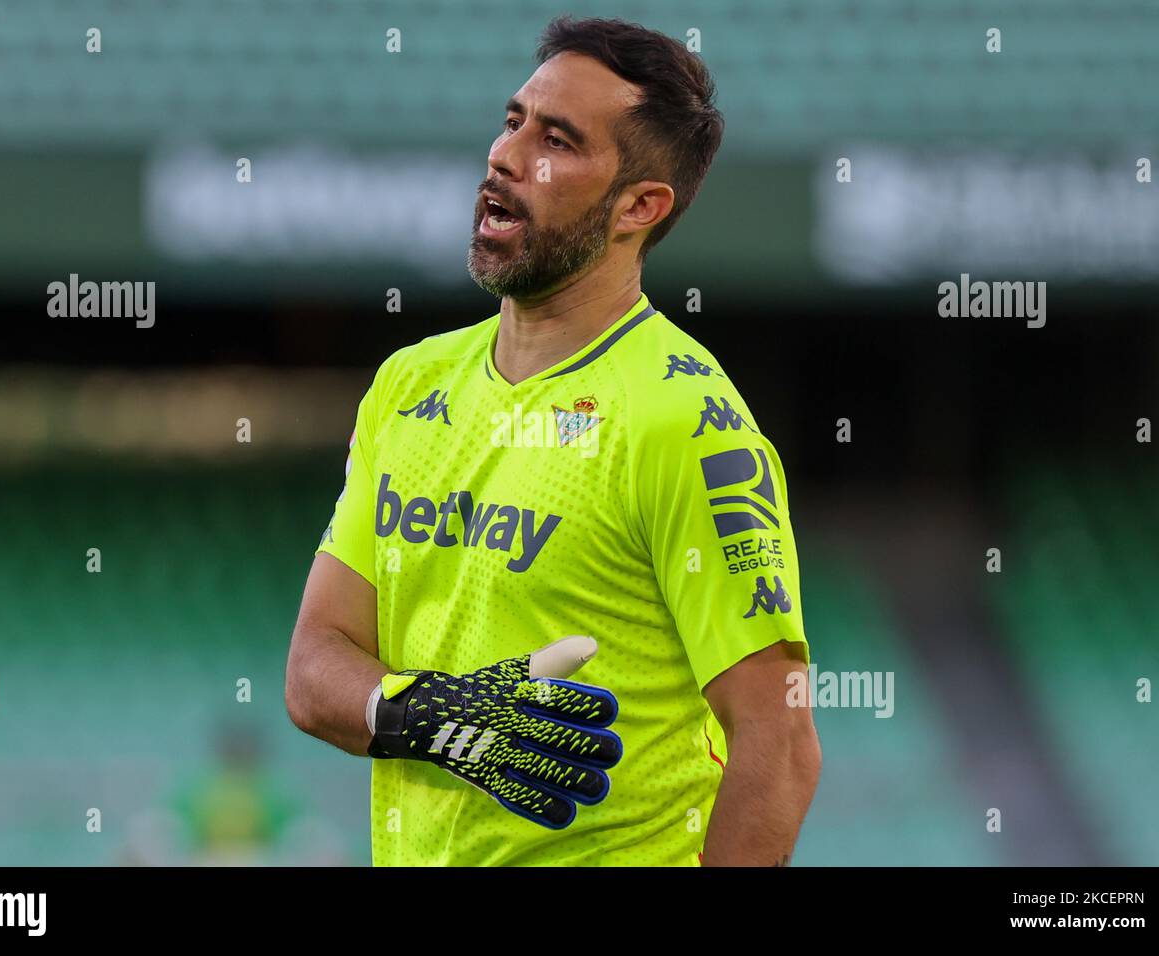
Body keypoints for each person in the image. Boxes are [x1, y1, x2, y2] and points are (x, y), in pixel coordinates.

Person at [286, 16, 821, 866]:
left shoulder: (683, 420)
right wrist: (433, 715)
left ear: (639, 208)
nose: (506, 156)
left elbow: (780, 746)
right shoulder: (409, 385)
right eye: (513, 122)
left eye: (558, 142)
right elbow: (315, 668)